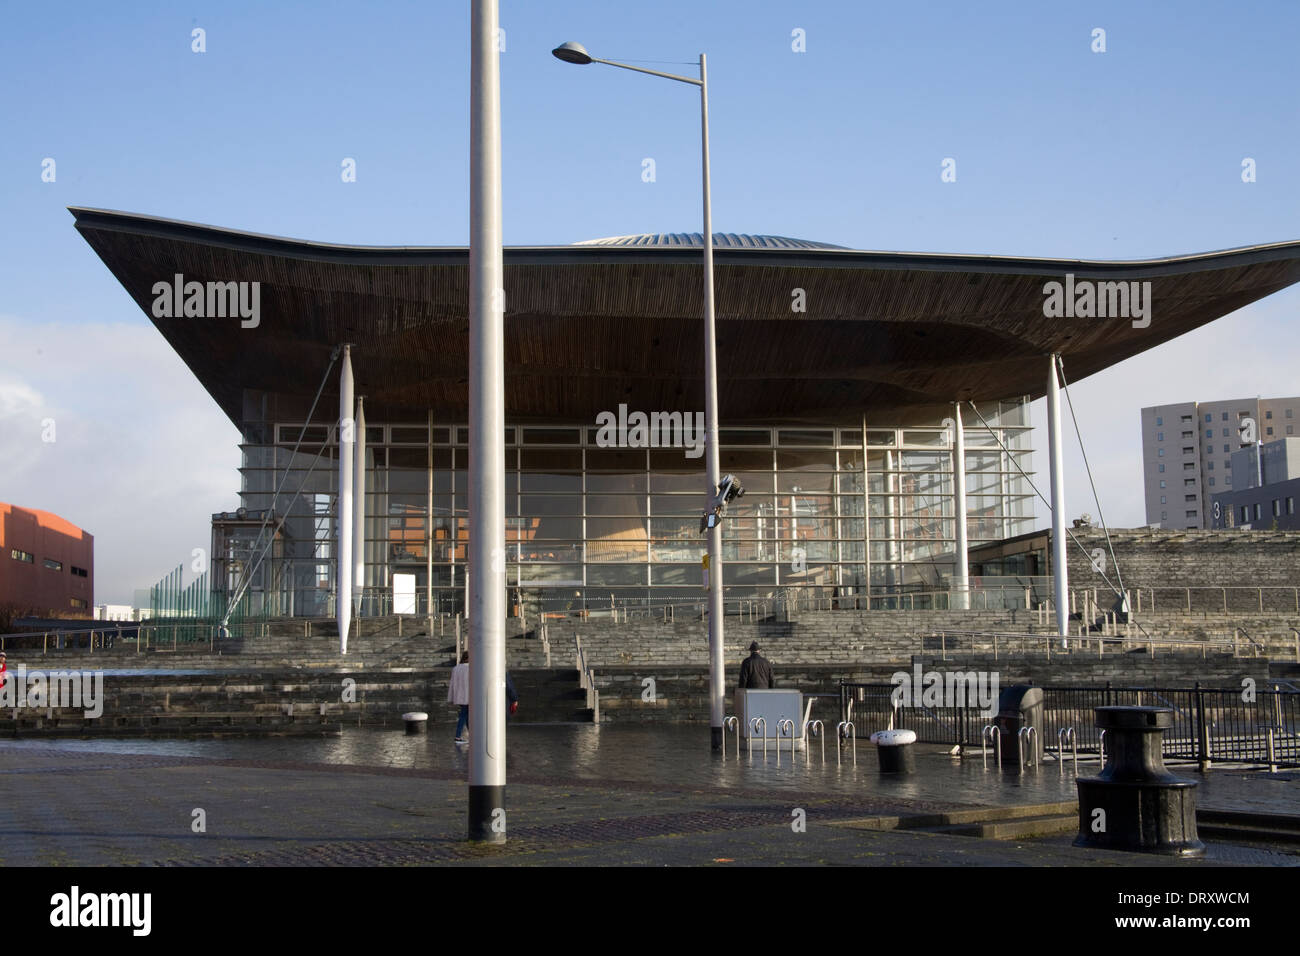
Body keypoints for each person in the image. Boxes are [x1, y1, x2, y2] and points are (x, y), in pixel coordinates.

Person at [448, 651, 470, 742]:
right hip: (469, 696)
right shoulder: (471, 668)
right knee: (463, 715)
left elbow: (452, 683)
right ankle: (457, 736)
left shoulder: (456, 668)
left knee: (466, 715)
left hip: (460, 696)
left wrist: (452, 696)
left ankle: (472, 735)